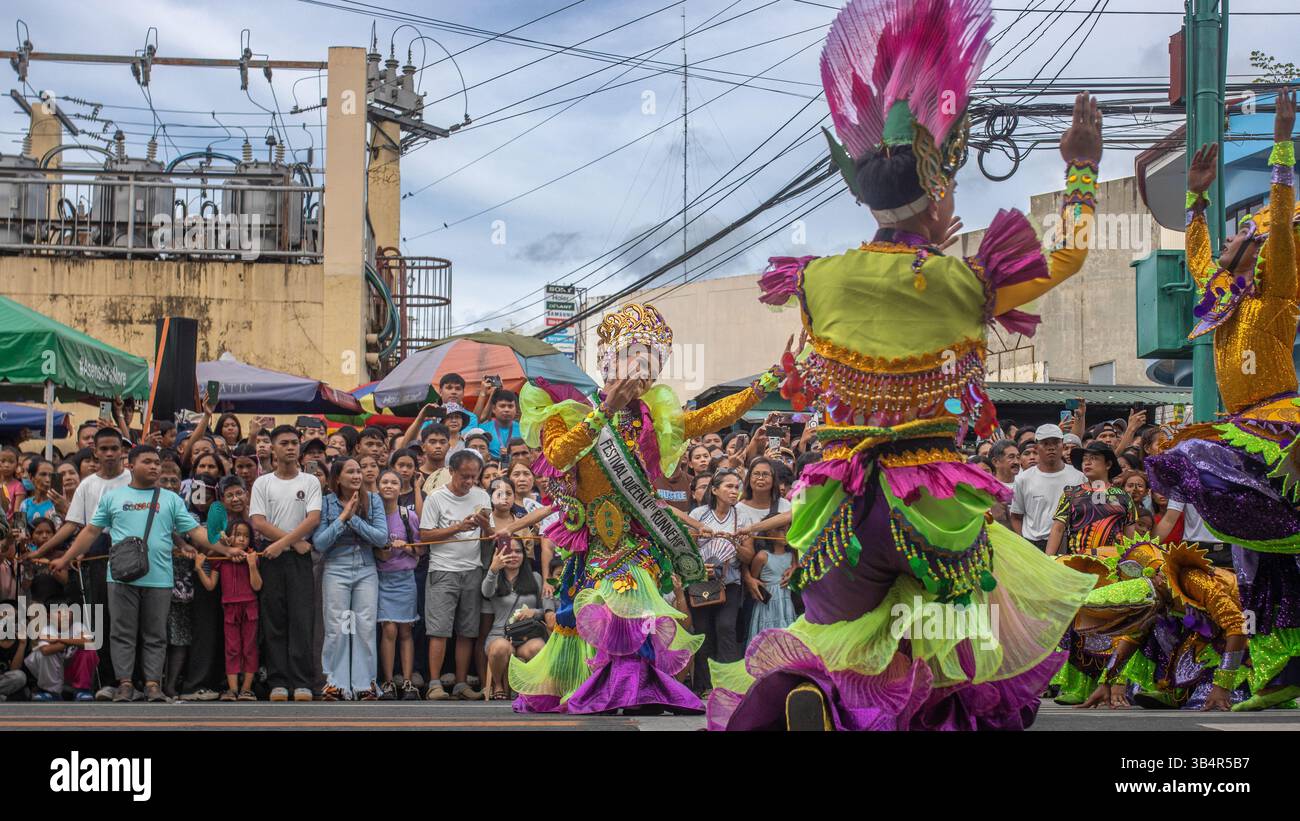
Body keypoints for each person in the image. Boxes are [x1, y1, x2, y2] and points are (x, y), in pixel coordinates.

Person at [706, 0, 1102, 731]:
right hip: (931, 503)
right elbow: (1071, 253)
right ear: (939, 190)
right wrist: (1080, 169)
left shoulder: (815, 280)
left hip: (837, 510)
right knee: (953, 664)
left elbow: (838, 342)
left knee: (845, 648)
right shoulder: (967, 282)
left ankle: (818, 703)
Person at [510, 303, 779, 715]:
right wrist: (604, 411)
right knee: (601, 613)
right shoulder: (564, 410)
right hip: (595, 542)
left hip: (638, 540)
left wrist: (763, 386)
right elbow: (560, 455)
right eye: (635, 359)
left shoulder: (653, 418)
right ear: (608, 362)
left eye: (652, 363)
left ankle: (636, 689)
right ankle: (606, 688)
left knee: (635, 610)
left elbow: (705, 419)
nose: (644, 371)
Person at [1144, 91, 1300, 711]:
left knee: (1196, 453)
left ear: (1263, 250)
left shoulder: (1278, 292)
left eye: (1248, 234)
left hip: (1279, 421)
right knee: (1259, 570)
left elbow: (1282, 218)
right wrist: (1198, 197)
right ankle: (1281, 672)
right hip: (1243, 422)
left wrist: (1282, 146)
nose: (1235, 238)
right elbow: (1198, 253)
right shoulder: (1225, 302)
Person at [52, 445, 241, 703]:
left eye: (156, 462)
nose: (154, 467)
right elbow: (90, 532)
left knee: (155, 634)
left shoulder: (171, 500)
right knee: (122, 633)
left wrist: (224, 550)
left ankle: (153, 685)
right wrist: (65, 557)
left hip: (160, 577)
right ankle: (126, 684)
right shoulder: (113, 498)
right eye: (148, 462)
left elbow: (195, 532)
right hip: (120, 577)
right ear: (130, 465)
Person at [1073, 536, 1249, 712]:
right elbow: (1133, 636)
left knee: (1204, 697)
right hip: (1208, 631)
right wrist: (1106, 681)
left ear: (1157, 580)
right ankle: (1174, 689)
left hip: (1250, 627)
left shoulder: (1192, 579)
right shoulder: (1157, 596)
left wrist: (1222, 685)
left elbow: (1237, 625)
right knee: (1158, 628)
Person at [34, 427, 132, 700]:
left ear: (123, 451)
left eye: (115, 448)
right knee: (101, 619)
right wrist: (41, 551)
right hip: (94, 557)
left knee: (126, 621)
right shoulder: (87, 485)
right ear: (95, 452)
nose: (110, 453)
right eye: (104, 449)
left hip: (130, 557)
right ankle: (105, 681)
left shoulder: (133, 479)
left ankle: (131, 681)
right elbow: (73, 525)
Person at [249, 425, 322, 703]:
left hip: (299, 560)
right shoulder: (263, 483)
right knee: (274, 620)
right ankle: (278, 681)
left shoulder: (310, 481)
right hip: (272, 560)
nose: (290, 448)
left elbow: (312, 519)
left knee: (302, 620)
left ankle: (301, 681)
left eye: (294, 443)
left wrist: (284, 544)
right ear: (274, 448)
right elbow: (258, 521)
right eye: (284, 443)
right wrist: (290, 542)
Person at [418, 449, 492, 700]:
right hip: (443, 569)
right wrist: (459, 527)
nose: (469, 482)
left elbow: (489, 535)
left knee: (467, 631)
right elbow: (425, 535)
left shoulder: (482, 495)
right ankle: (435, 684)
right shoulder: (435, 498)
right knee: (439, 630)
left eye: (474, 476)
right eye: (464, 476)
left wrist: (484, 525)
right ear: (451, 471)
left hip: (473, 569)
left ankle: (461, 683)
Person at [313, 458, 387, 700]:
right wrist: (342, 517)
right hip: (336, 567)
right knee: (337, 626)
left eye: (360, 471)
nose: (358, 475)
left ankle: (365, 684)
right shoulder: (326, 502)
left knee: (364, 627)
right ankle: (336, 682)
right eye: (351, 471)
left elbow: (380, 537)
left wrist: (352, 519)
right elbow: (320, 542)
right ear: (338, 478)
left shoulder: (373, 499)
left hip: (366, 568)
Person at [687, 470, 749, 694]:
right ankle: (704, 685)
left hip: (730, 582)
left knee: (726, 627)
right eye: (729, 486)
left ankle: (730, 685)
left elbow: (748, 556)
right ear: (714, 490)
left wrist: (736, 545)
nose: (734, 491)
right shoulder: (699, 514)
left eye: (737, 487)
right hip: (700, 582)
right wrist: (701, 566)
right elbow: (686, 549)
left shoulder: (740, 517)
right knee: (703, 631)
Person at [192, 521, 262, 701]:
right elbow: (210, 586)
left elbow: (257, 585)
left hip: (250, 607)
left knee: (249, 648)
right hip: (229, 608)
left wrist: (252, 565)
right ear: (228, 537)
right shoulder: (220, 559)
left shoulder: (252, 556)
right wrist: (199, 568)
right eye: (238, 534)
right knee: (232, 648)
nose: (242, 539)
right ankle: (233, 689)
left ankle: (247, 689)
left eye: (246, 536)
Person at [481, 538, 553, 700]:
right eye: (508, 551)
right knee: (499, 648)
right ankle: (498, 684)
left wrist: (533, 612)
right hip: (500, 635)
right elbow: (486, 592)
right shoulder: (493, 578)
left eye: (518, 551)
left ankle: (529, 688)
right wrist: (493, 569)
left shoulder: (535, 577)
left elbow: (545, 610)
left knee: (539, 647)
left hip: (527, 635)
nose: (513, 555)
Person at [376, 469, 423, 700]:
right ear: (377, 486)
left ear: (400, 486)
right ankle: (387, 682)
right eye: (384, 481)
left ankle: (407, 681)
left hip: (405, 579)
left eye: (394, 482)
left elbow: (421, 549)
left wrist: (405, 547)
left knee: (405, 630)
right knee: (389, 629)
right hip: (382, 578)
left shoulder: (408, 515)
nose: (389, 486)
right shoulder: (373, 515)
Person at [1044, 441, 1137, 557]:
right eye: (1084, 459)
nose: (1087, 462)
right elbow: (1057, 529)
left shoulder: (1124, 496)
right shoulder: (1070, 493)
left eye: (1094, 458)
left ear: (1108, 464)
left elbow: (1130, 535)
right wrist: (1047, 560)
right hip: (1077, 565)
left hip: (1113, 566)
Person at [1010, 425, 1087, 551]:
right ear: (1036, 447)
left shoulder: (1079, 477)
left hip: (1068, 542)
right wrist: (1024, 544)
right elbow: (1016, 517)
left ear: (1062, 445)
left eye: (1056, 443)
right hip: (1034, 544)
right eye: (1045, 443)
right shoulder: (1023, 479)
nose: (1051, 447)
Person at [23, 597, 98, 701]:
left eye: (67, 611)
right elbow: (46, 650)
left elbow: (90, 644)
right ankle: (50, 692)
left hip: (71, 671)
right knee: (44, 654)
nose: (64, 615)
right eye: (58, 612)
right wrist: (74, 641)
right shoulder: (46, 629)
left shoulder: (77, 626)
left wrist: (58, 639)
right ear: (49, 616)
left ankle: (82, 691)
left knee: (88, 650)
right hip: (53, 672)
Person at [483, 389, 522, 459]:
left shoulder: (523, 430)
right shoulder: (483, 429)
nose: (506, 410)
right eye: (502, 406)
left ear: (516, 409)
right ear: (494, 409)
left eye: (510, 406)